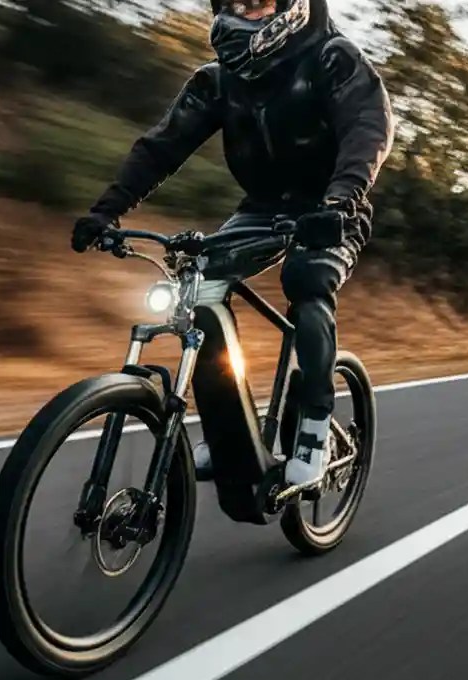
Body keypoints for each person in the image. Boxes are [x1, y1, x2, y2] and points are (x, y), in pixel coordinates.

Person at [70, 0, 394, 492]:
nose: (242, 12)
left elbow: (370, 129)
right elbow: (162, 146)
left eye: (258, 2)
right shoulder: (217, 81)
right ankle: (229, 431)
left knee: (306, 281)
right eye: (234, 3)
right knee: (196, 293)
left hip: (333, 205)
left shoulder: (333, 57)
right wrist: (105, 210)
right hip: (262, 206)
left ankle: (312, 428)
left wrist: (341, 199)